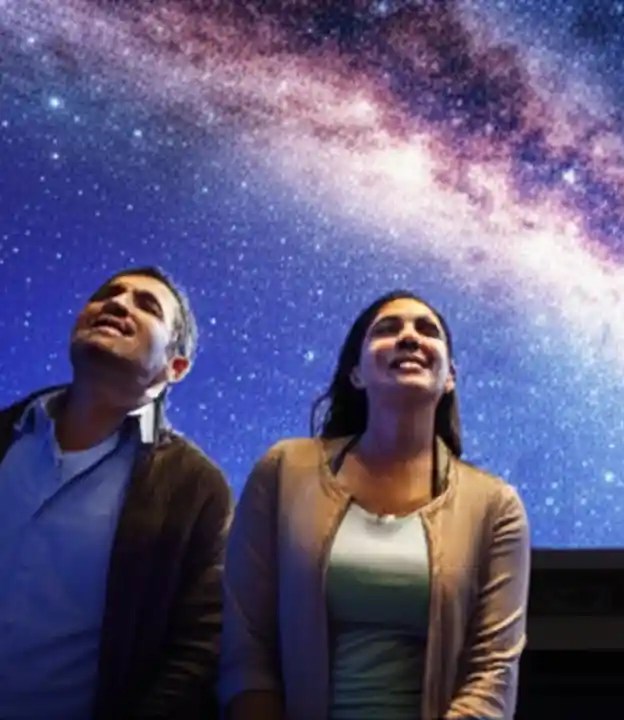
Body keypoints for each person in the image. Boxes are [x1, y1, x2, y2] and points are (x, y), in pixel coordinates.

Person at [220, 290, 531, 720]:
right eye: (387, 329)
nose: (409, 337)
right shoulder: (284, 469)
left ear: (450, 377)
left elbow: (493, 671)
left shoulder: (496, 505)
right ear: (356, 375)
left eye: (427, 330)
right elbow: (246, 642)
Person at [0, 266, 230, 719]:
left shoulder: (196, 489)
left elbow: (201, 646)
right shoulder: (5, 435)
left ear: (174, 367)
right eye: (109, 293)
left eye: (146, 306)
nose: (118, 304)